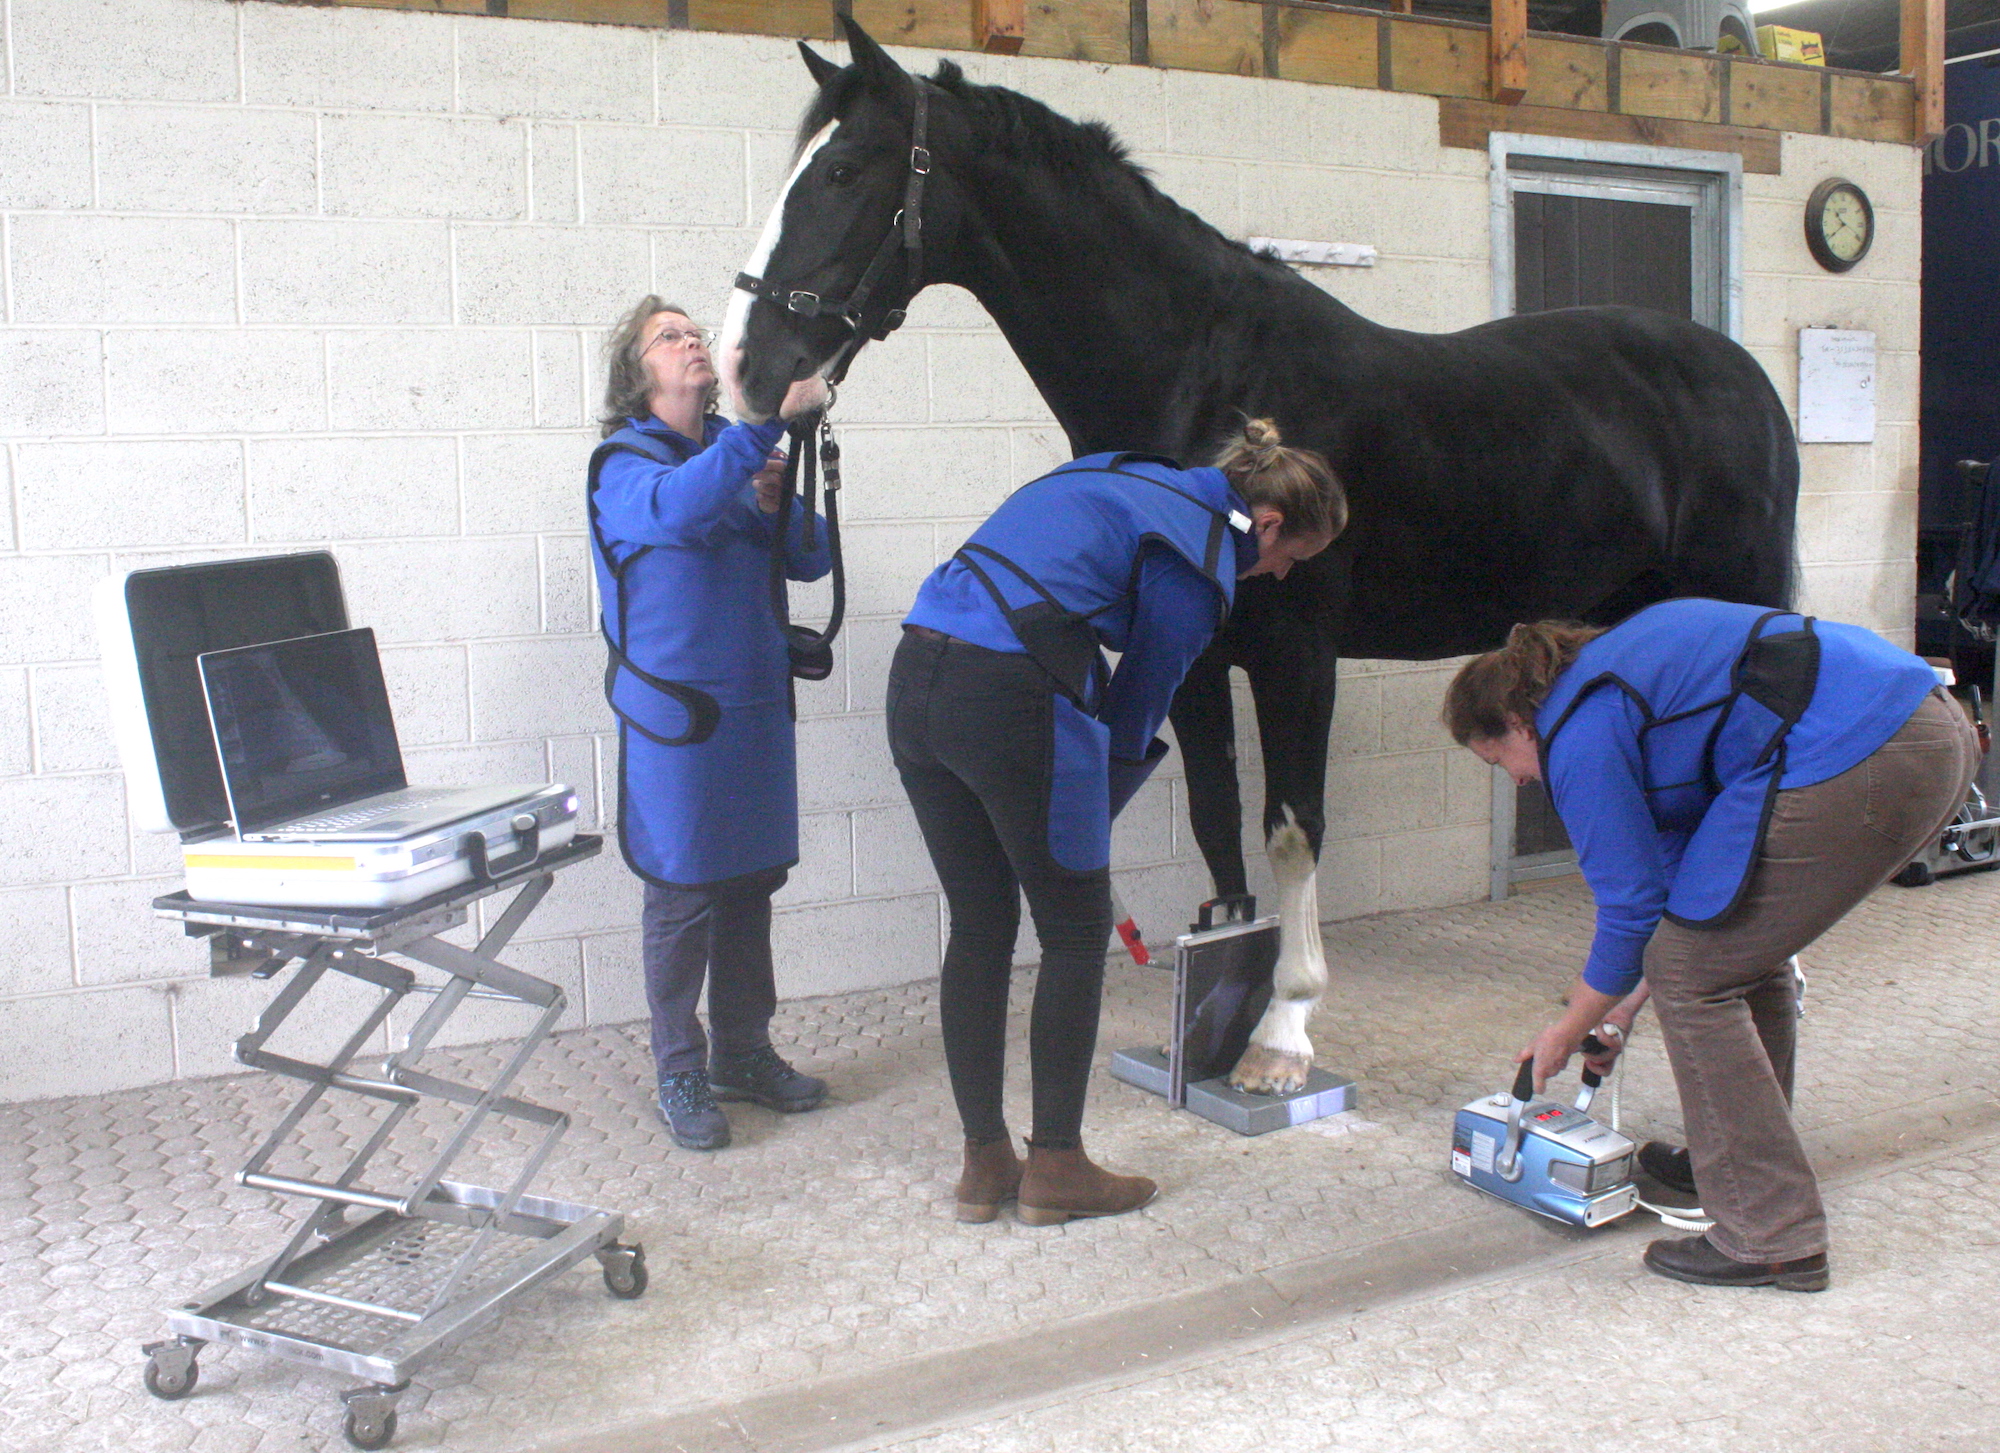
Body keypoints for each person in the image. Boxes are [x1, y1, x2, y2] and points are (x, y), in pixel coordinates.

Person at [1442, 600, 1978, 1289]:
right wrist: (1618, 1011)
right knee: (1727, 955)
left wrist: (1565, 1031)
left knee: (1694, 975)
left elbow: (1630, 911)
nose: (1518, 780)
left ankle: (1770, 1233)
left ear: (1519, 722)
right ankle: (1733, 1167)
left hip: (1867, 748)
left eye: (1501, 760)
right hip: (1929, 725)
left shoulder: (1576, 730)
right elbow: (1679, 901)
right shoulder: (1621, 689)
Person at [888, 421, 1347, 1225]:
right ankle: (1057, 1166)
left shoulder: (1128, 470)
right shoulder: (1201, 565)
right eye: (1290, 558)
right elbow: (1137, 709)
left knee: (981, 921)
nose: (1277, 575)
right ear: (1270, 524)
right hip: (1006, 694)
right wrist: (1088, 824)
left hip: (917, 679)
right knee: (1073, 927)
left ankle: (984, 1162)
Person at [587, 295, 834, 1151]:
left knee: (749, 885)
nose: (691, 342)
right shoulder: (625, 467)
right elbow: (681, 510)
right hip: (678, 722)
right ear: (637, 371)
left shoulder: (735, 455)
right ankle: (679, 1069)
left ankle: (743, 1051)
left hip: (753, 710)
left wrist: (778, 500)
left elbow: (812, 556)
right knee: (683, 892)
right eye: (670, 337)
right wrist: (758, 436)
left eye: (695, 332)